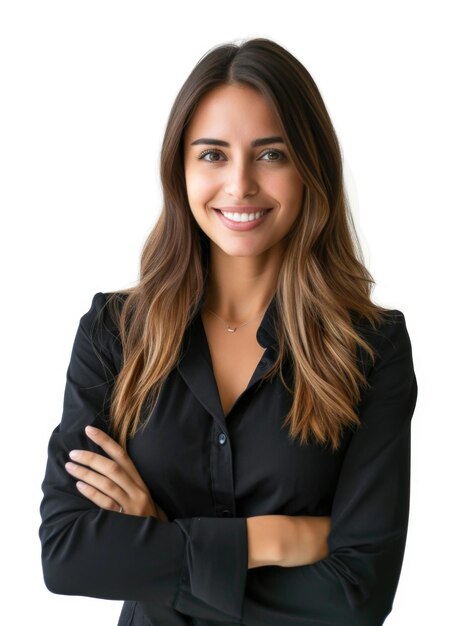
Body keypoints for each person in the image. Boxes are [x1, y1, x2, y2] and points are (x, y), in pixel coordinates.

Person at [39, 37, 418, 626]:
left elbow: (358, 595)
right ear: (180, 169)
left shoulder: (371, 347)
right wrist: (276, 538)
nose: (240, 184)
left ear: (310, 167)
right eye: (212, 154)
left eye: (271, 154)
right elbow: (68, 554)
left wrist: (158, 539)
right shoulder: (113, 335)